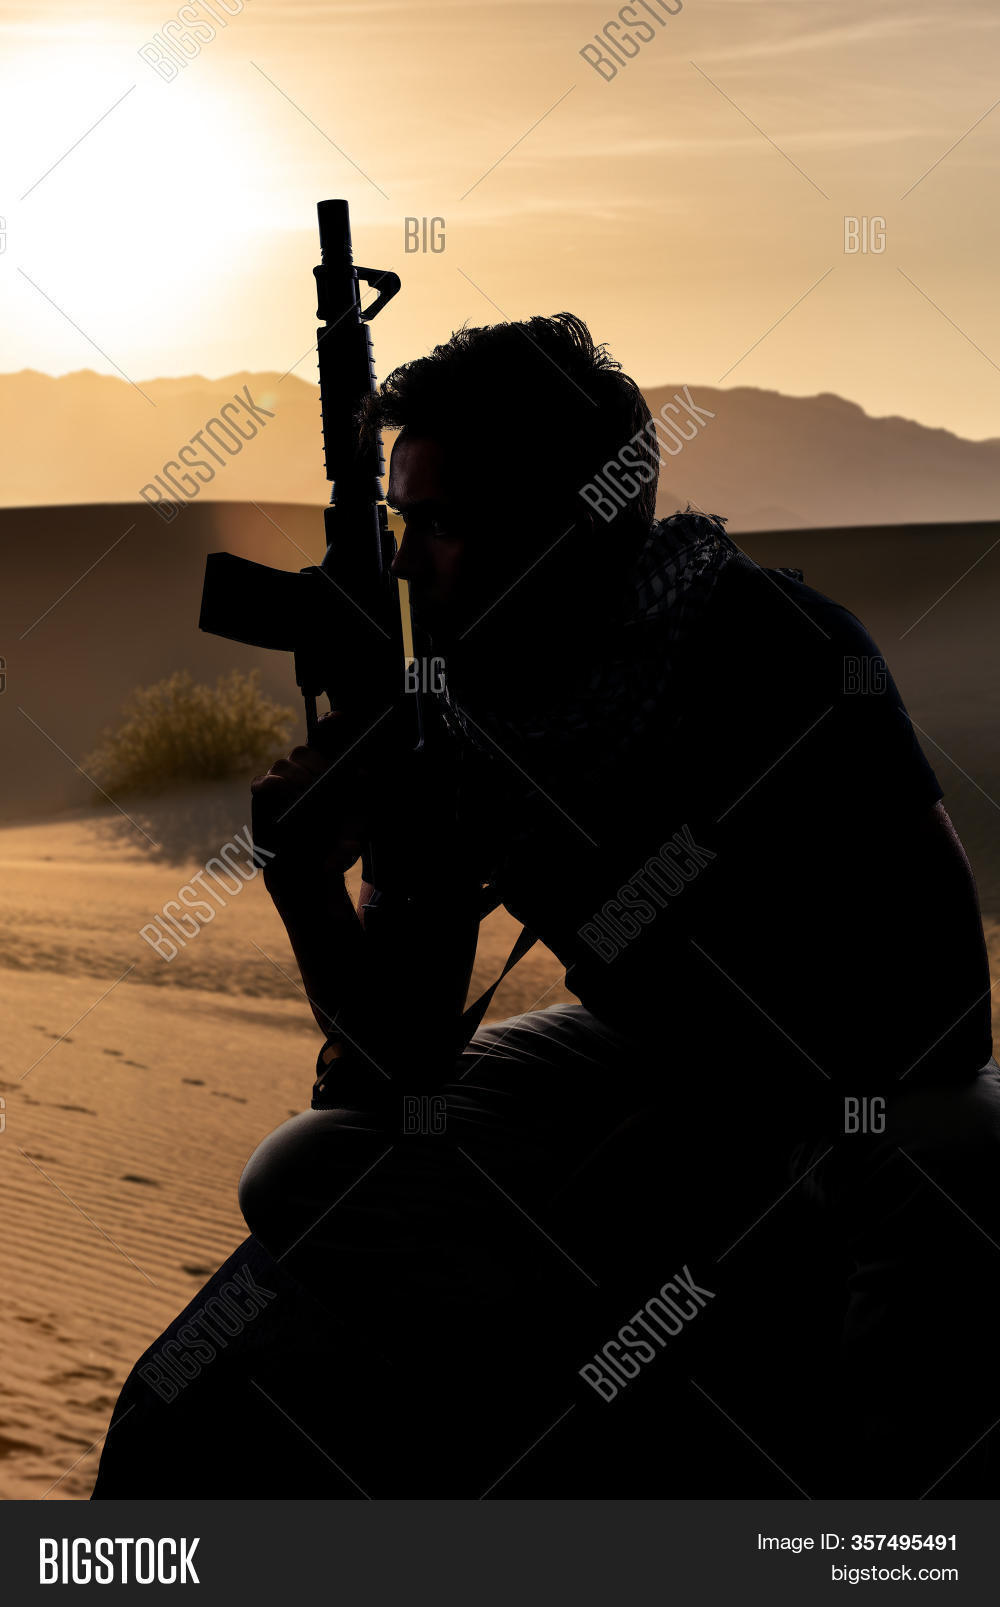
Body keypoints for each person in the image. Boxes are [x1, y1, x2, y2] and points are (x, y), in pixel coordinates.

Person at [94, 315, 1000, 1500]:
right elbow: (393, 1070)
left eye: (444, 523)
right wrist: (314, 881)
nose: (409, 566)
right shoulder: (461, 709)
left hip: (840, 1072)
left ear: (562, 531)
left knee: (944, 1171)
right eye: (401, 520)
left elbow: (945, 1009)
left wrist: (579, 876)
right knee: (304, 1176)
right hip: (643, 1050)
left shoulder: (766, 645)